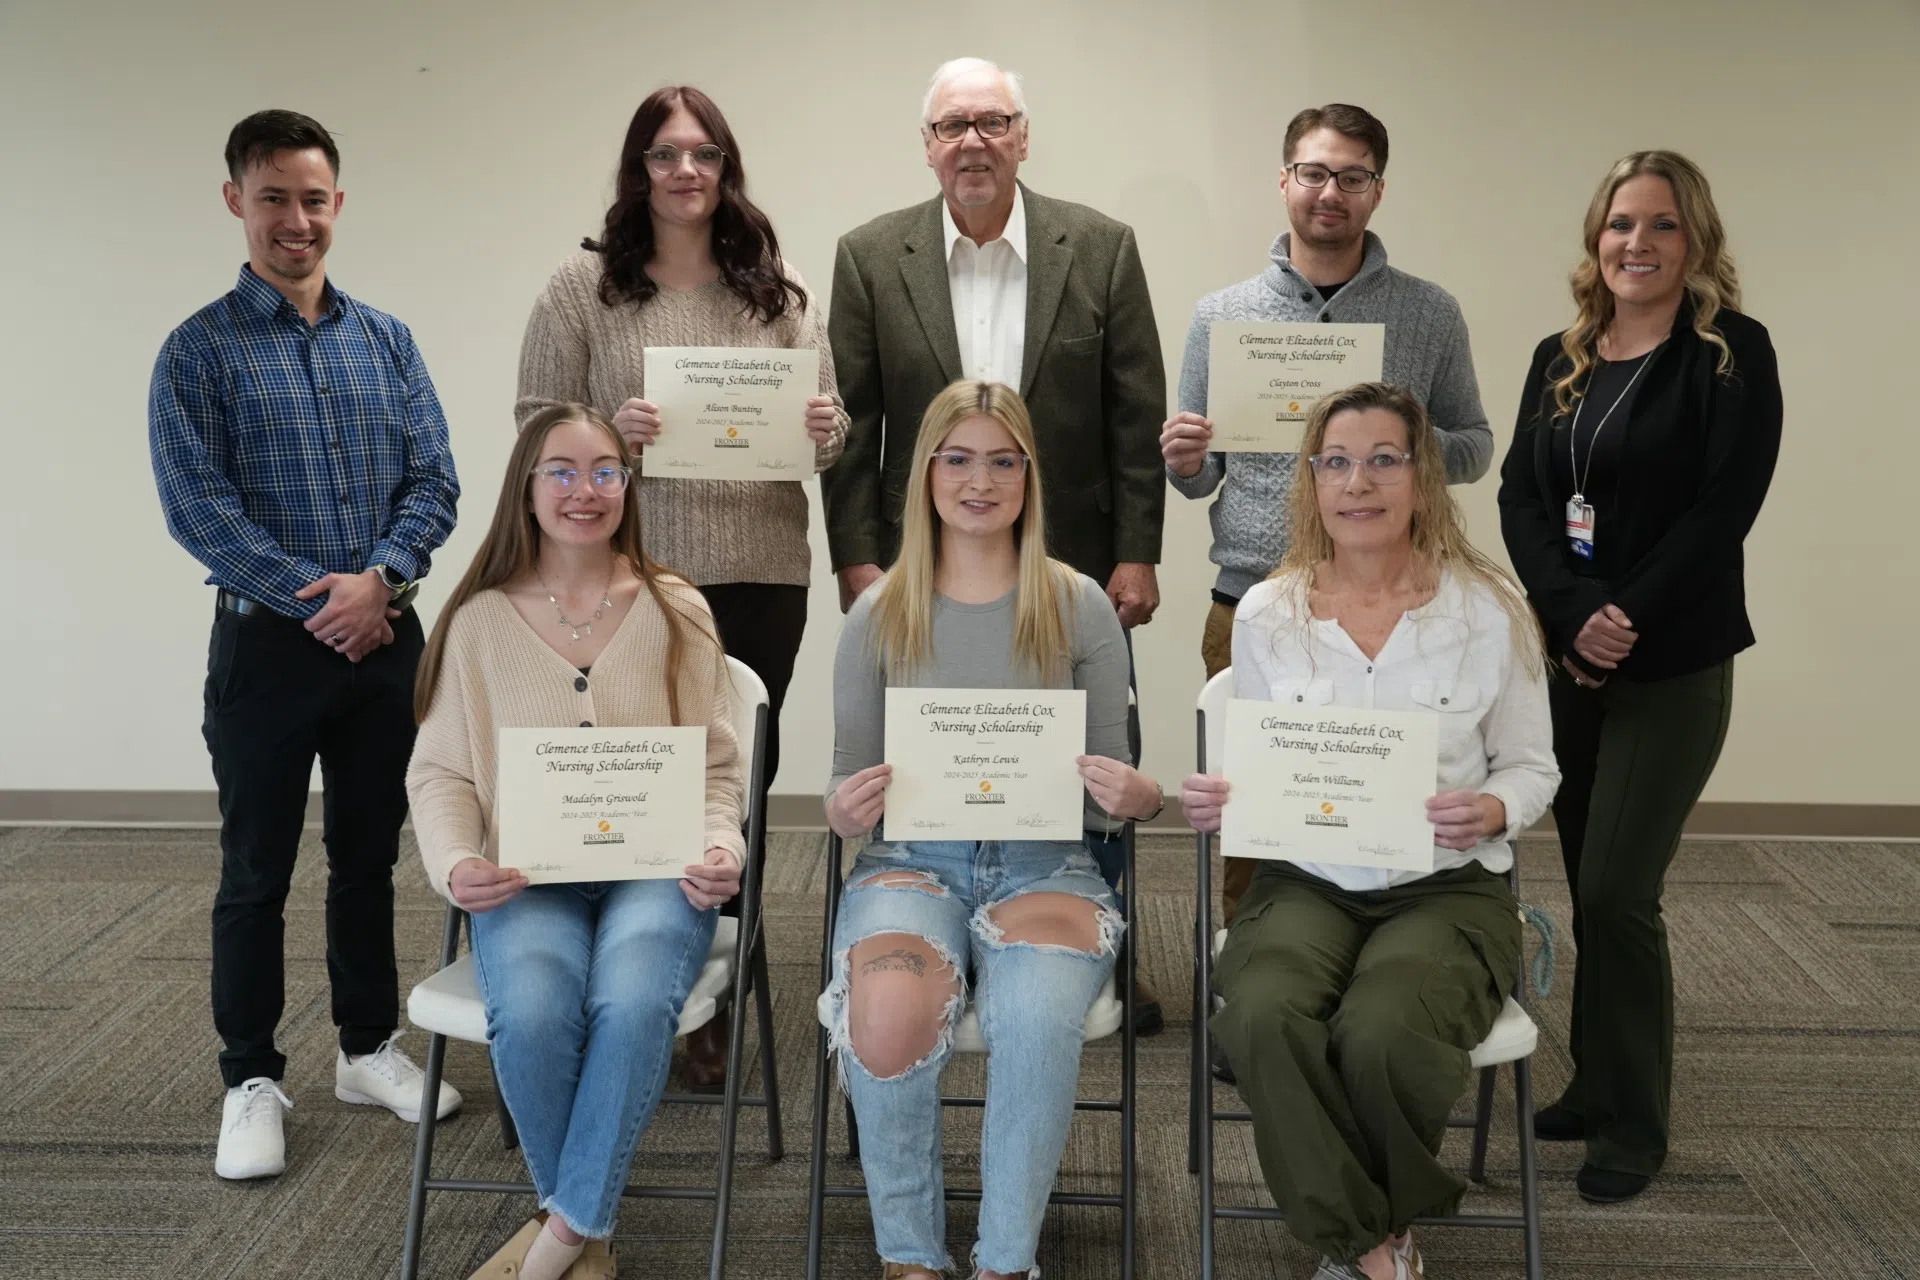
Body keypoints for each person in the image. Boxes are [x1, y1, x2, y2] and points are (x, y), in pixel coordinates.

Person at [1182, 382, 1559, 1280]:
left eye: (1384, 459)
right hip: (1305, 883)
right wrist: (1219, 798)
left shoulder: (1488, 609)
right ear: (1311, 482)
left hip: (1445, 884)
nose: (1360, 482)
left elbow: (1533, 767)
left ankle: (1348, 1240)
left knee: (1383, 1027)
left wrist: (1497, 807)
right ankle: (1373, 1242)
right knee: (1265, 1015)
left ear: (1422, 477)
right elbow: (1266, 771)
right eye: (1337, 462)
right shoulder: (1270, 613)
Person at [148, 109, 462, 1182]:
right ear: (236, 200)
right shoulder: (198, 351)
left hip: (386, 642)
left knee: (369, 857)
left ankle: (367, 1046)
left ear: (338, 205)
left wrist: (382, 583)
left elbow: (437, 481)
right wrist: (321, 599)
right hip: (267, 654)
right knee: (255, 870)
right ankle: (251, 1074)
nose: (296, 219)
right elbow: (201, 510)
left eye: (313, 198)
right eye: (273, 196)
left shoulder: (390, 341)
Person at [822, 55, 1168, 1027]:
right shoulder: (868, 254)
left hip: (1073, 564)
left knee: (1088, 756)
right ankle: (947, 926)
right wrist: (859, 558)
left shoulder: (1099, 246)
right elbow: (851, 422)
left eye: (991, 121)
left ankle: (1091, 945)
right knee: (930, 758)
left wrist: (1137, 548)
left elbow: (1135, 409)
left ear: (1022, 135)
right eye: (950, 126)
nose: (971, 141)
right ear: (927, 146)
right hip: (918, 565)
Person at [516, 84, 846, 1085]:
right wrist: (610, 435)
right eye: (665, 155)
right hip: (626, 575)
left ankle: (717, 998)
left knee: (729, 790)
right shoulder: (582, 289)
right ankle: (617, 977)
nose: (687, 171)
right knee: (625, 780)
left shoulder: (777, 289)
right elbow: (537, 428)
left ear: (727, 166)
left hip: (759, 574)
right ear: (638, 170)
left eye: (704, 153)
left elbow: (824, 438)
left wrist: (830, 434)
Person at [822, 381, 1162, 1280]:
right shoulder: (877, 611)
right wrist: (843, 807)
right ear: (927, 472)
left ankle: (1006, 1263)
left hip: (1048, 866)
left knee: (1039, 1014)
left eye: (1003, 461)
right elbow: (840, 788)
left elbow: (1112, 786)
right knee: (888, 1012)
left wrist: (1136, 794)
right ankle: (910, 1260)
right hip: (910, 864)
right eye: (959, 458)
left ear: (1029, 476)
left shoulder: (1079, 604)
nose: (981, 480)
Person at [1498, 150, 1781, 1205]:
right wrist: (1573, 615)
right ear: (1596, 236)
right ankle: (1598, 1082)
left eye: (1661, 225)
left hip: (1673, 658)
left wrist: (1625, 613)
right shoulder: (1561, 353)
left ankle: (1638, 1124)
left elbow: (1724, 509)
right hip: (1573, 662)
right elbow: (1524, 501)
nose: (1637, 243)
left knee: (1622, 890)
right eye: (1621, 223)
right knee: (1589, 883)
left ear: (1694, 241)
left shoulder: (1729, 354)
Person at [408, 402, 747, 1280]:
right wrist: (457, 864)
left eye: (605, 472)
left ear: (628, 488)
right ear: (526, 488)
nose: (584, 491)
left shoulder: (677, 607)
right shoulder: (479, 621)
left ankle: (559, 1235)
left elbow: (717, 760)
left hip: (657, 873)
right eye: (560, 470)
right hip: (528, 876)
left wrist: (722, 847)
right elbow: (439, 773)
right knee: (533, 1006)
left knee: (634, 1001)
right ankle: (587, 1232)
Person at [1161, 102, 1493, 929]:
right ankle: (1250, 978)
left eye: (1352, 176)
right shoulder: (1222, 315)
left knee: (1383, 808)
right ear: (1284, 182)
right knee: (1255, 817)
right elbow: (1200, 480)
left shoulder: (1430, 313)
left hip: (1398, 608)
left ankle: (1383, 961)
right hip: (1251, 602)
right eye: (1313, 173)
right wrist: (1184, 460)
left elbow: (1478, 446)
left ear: (1377, 191)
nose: (1330, 192)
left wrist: (1400, 447)